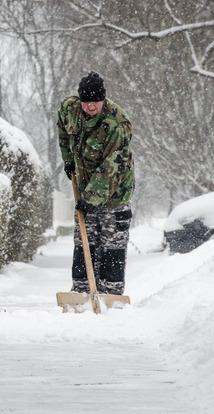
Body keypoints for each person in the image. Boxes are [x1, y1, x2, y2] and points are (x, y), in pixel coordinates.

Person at [57, 71, 135, 296]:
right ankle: (81, 292)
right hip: (85, 189)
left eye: (96, 102)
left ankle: (111, 295)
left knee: (112, 245)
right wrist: (68, 159)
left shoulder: (116, 124)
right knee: (84, 242)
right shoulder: (70, 109)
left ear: (104, 99)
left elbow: (112, 167)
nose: (91, 107)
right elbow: (63, 129)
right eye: (86, 102)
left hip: (115, 196)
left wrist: (91, 199)